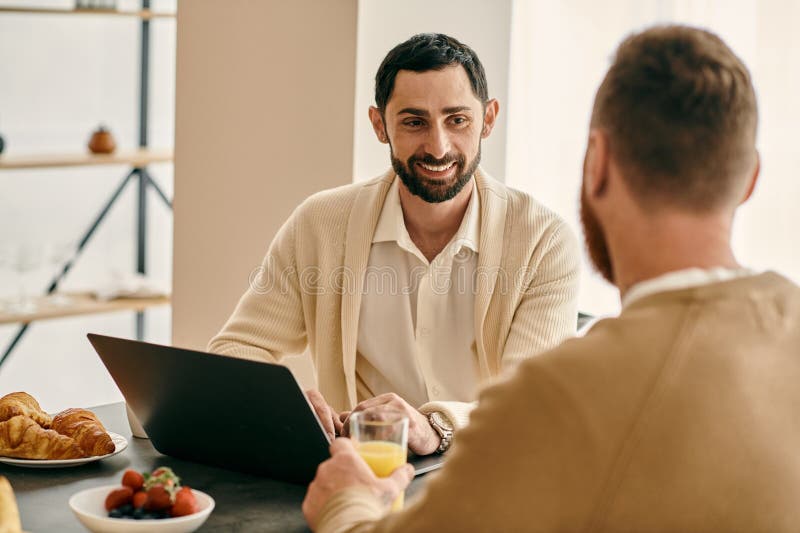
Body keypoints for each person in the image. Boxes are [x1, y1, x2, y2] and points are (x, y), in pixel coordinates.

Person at [302, 25, 800, 532]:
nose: (438, 143)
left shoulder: (564, 397)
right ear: (750, 178)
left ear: (597, 164)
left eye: (457, 119)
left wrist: (346, 500)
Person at [208, 33, 580, 454]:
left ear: (488, 119)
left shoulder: (544, 242)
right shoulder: (320, 223)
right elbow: (235, 350)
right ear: (379, 125)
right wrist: (285, 404)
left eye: (457, 120)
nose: (438, 147)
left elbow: (530, 406)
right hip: (359, 473)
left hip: (488, 475)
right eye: (414, 122)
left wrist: (435, 426)